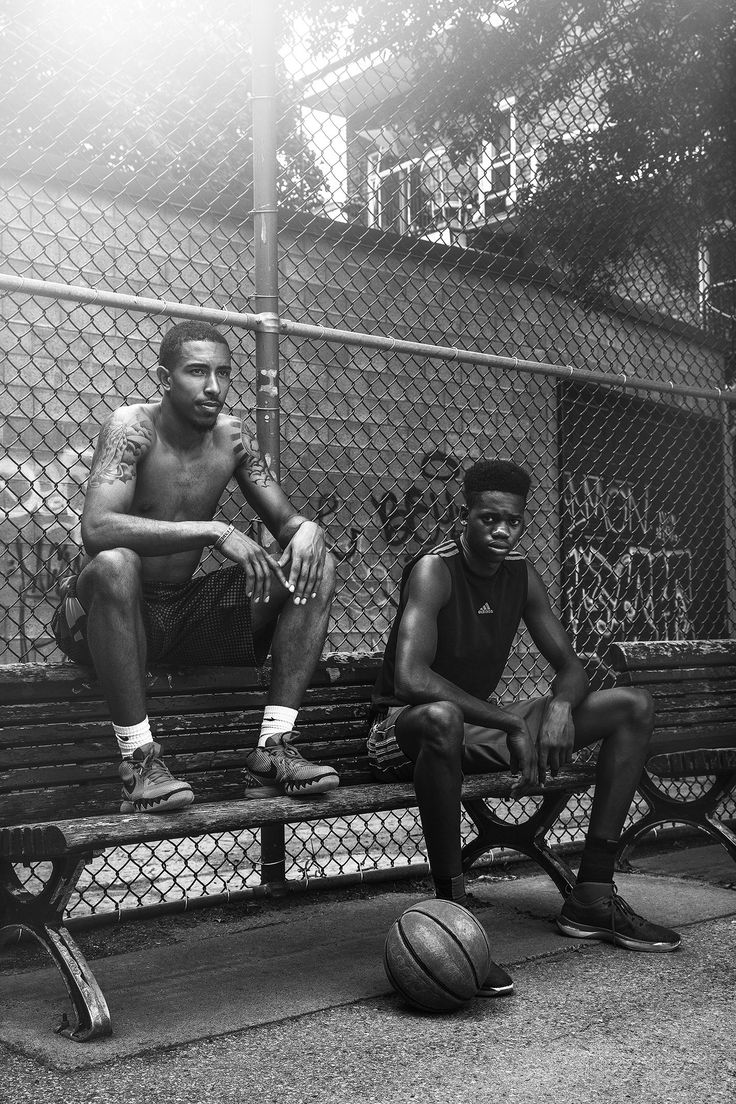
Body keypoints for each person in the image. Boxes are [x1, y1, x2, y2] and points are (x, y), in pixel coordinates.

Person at [369, 458, 681, 998]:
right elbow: (411, 677)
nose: (501, 531)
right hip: (404, 731)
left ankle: (591, 895)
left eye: (512, 521)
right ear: (464, 516)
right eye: (488, 519)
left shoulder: (521, 573)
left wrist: (559, 707)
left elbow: (571, 668)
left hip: (478, 726)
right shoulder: (433, 570)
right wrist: (513, 721)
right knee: (443, 717)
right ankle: (454, 914)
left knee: (632, 705)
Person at [53, 320, 338, 814]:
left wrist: (309, 530)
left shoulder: (231, 437)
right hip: (108, 610)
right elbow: (96, 528)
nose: (213, 387)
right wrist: (215, 531)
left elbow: (287, 522)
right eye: (197, 372)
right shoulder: (131, 427)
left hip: (183, 613)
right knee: (117, 563)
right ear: (165, 377)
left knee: (317, 564)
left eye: (223, 374)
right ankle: (138, 763)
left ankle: (274, 747)